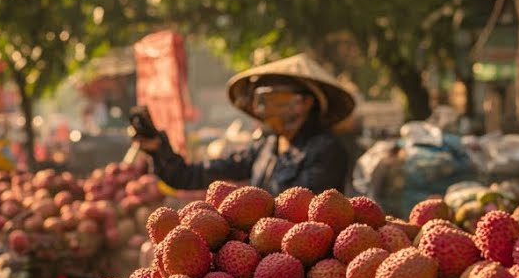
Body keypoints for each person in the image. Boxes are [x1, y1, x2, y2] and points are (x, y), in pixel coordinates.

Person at [132, 54, 355, 195]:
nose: (262, 107)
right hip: (263, 247)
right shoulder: (265, 148)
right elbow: (190, 176)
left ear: (304, 103)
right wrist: (158, 149)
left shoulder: (326, 151)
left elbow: (299, 209)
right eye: (259, 99)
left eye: (271, 97)